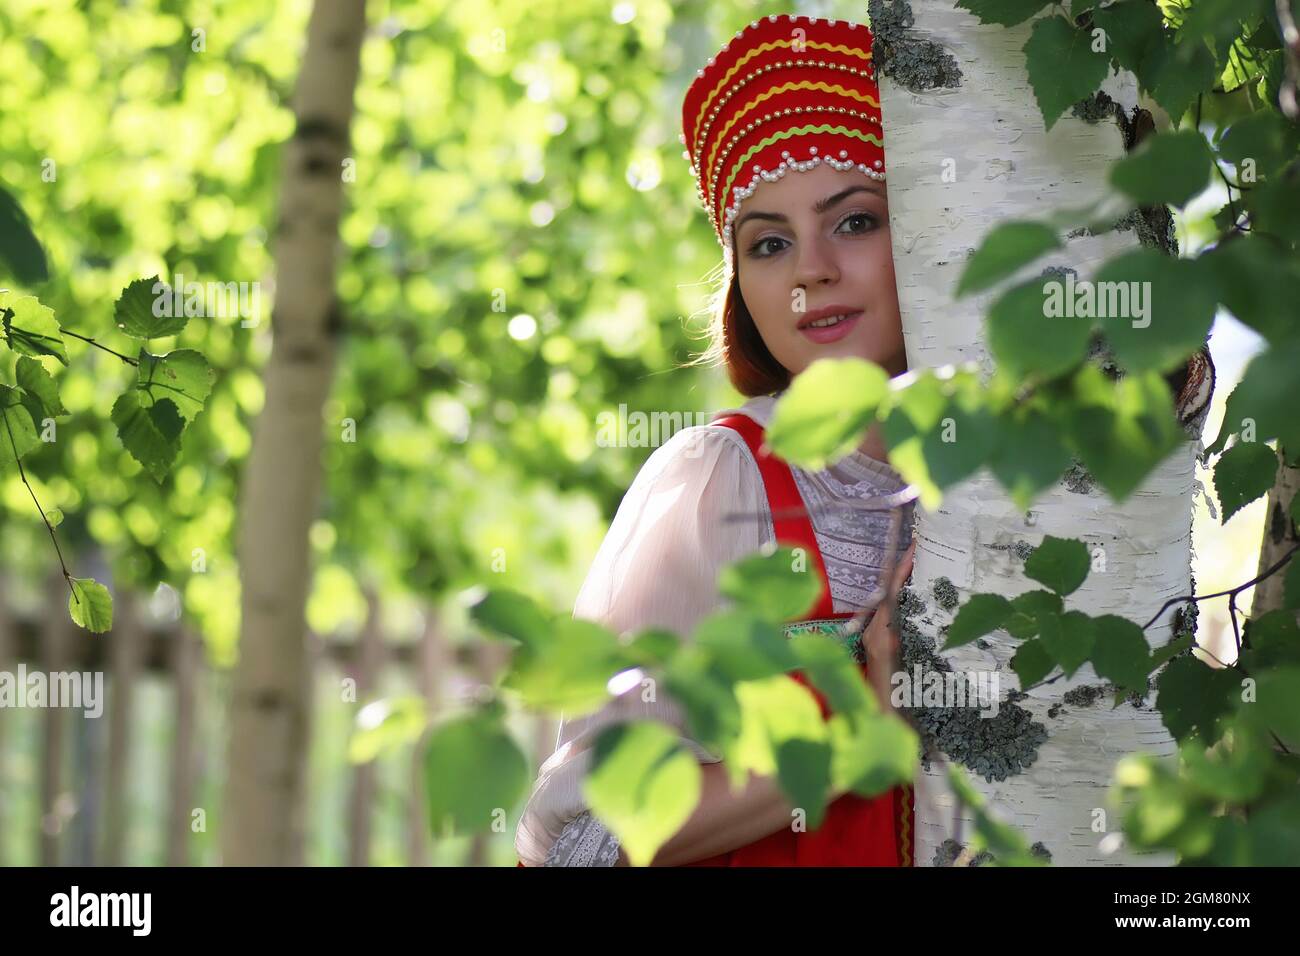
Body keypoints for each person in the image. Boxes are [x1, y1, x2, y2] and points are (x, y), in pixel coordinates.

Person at [514, 13, 916, 867]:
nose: (811, 270)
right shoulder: (719, 479)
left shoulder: (1032, 470)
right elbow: (587, 838)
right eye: (770, 243)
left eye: (853, 222)